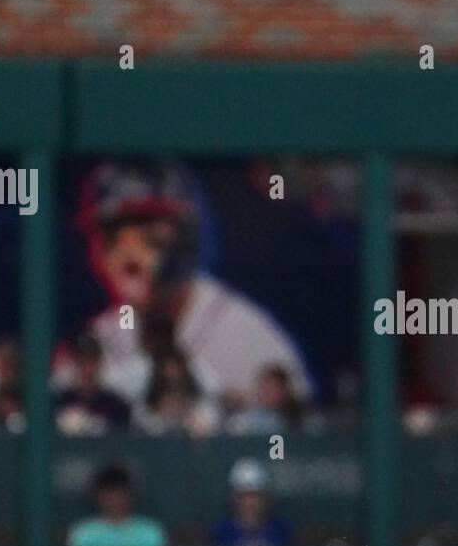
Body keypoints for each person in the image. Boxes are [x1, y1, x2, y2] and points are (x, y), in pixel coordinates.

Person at [67, 162, 313, 413]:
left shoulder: (248, 336)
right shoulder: (104, 332)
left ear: (185, 237)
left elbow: (300, 425)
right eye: (111, 238)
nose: (126, 253)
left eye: (149, 236)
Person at [67, 463, 168, 546]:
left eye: (120, 494)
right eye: (109, 495)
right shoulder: (83, 533)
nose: (115, 501)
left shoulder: (150, 532)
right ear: (98, 496)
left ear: (130, 495)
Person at [54, 332, 131, 435]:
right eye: (80, 361)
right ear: (73, 363)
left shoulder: (117, 406)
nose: (86, 367)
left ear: (99, 362)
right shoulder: (59, 404)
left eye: (91, 360)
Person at [211, 458, 292, 546]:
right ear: (234, 498)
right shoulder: (222, 532)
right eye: (244, 496)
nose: (250, 502)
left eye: (256, 495)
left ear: (265, 497)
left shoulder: (282, 531)